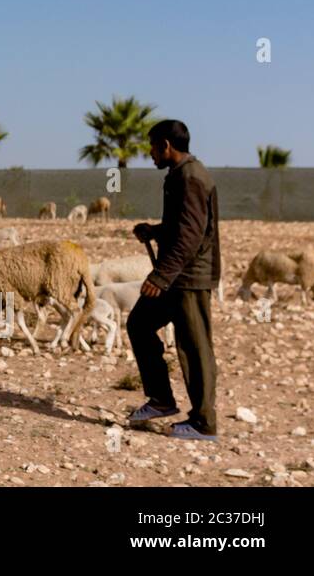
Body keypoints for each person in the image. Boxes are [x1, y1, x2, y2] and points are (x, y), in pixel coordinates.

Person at [128, 119, 220, 440]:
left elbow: (192, 235)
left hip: (188, 278)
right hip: (176, 275)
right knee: (139, 324)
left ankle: (204, 423)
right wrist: (154, 231)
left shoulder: (192, 177)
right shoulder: (179, 175)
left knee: (194, 348)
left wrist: (161, 275)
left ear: (166, 145)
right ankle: (161, 400)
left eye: (153, 147)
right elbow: (180, 227)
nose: (151, 154)